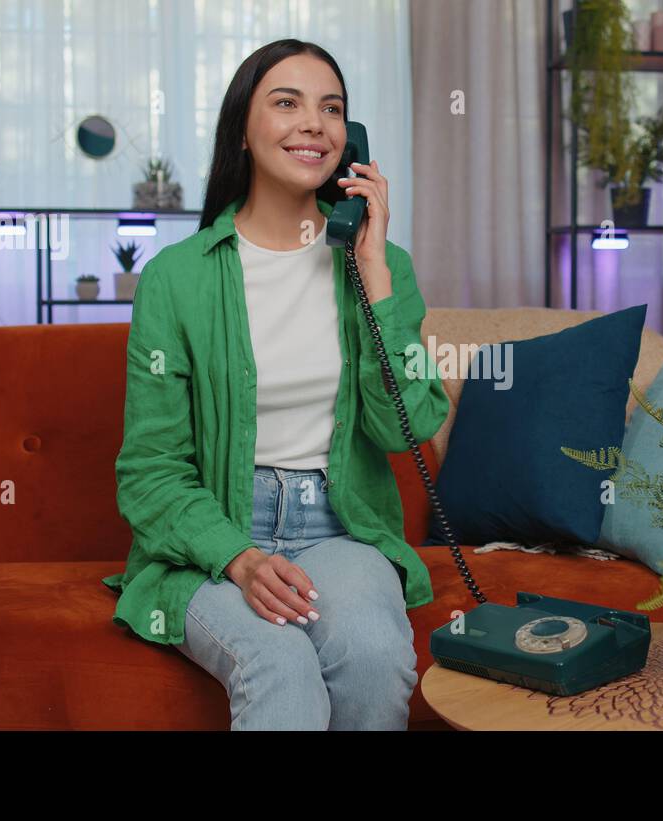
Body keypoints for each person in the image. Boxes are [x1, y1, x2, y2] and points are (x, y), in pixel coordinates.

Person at [101, 38, 451, 731]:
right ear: (242, 129)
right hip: (218, 530)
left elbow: (402, 427)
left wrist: (375, 276)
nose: (313, 123)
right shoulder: (177, 278)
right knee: (281, 664)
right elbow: (148, 470)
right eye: (285, 103)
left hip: (340, 527)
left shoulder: (383, 266)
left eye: (331, 109)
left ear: (349, 139)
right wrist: (238, 555)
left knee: (376, 653)